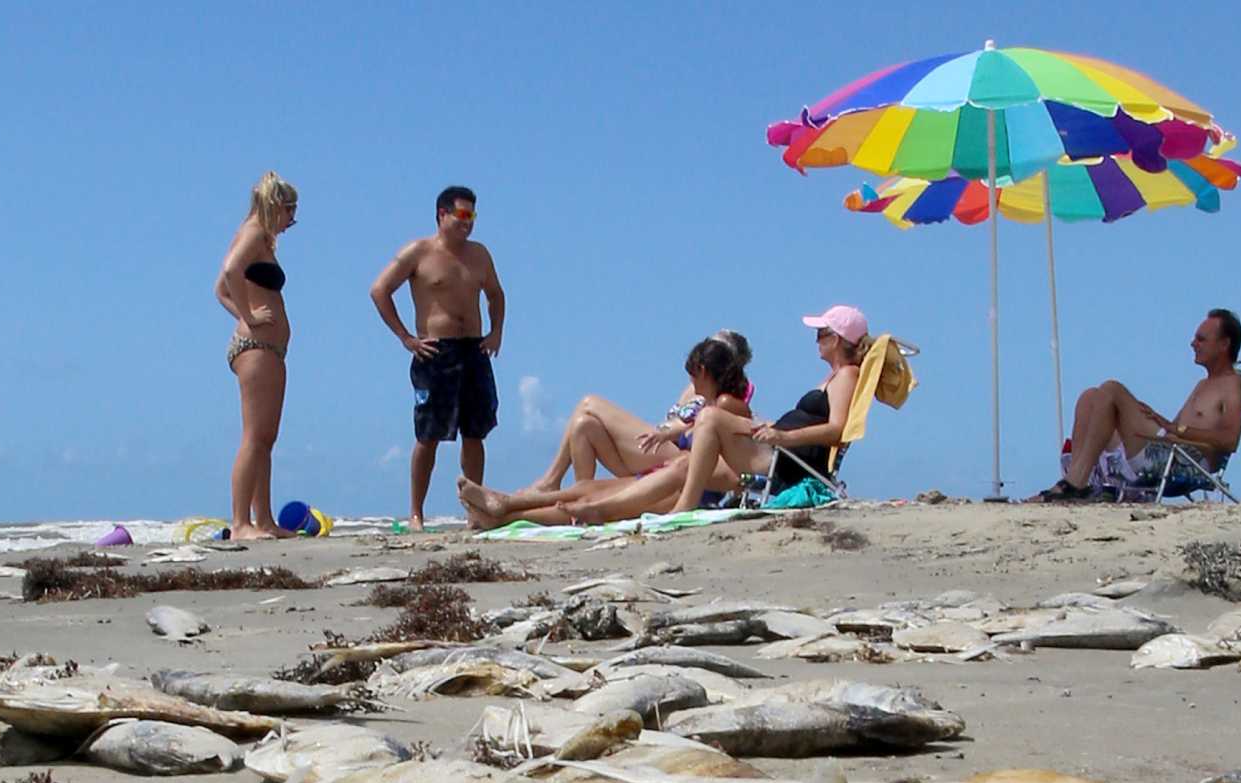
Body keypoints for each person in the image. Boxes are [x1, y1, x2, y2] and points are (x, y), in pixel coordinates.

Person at [458, 309, 869, 529]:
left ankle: (512, 506)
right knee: (589, 491)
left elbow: (834, 432)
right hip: (736, 465)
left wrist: (780, 437)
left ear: (839, 340)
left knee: (596, 497)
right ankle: (504, 509)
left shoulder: (845, 375)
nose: (816, 339)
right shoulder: (832, 377)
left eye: (822, 333)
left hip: (763, 471)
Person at [369, 186, 507, 529]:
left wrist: (496, 332)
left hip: (474, 349)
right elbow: (379, 290)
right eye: (461, 215)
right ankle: (416, 512)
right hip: (436, 353)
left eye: (472, 216)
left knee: (475, 434)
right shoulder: (419, 252)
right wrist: (406, 338)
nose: (468, 223)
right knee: (428, 435)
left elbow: (495, 295)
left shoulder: (480, 255)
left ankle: (475, 511)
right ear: (442, 214)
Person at [1035, 309, 1241, 502]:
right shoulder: (1204, 384)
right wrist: (1154, 420)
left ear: (1224, 344)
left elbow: (1230, 441)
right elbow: (1176, 430)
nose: (1193, 344)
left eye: (1201, 339)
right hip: (1170, 451)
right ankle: (1077, 478)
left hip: (1185, 465)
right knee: (1090, 397)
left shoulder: (1232, 384)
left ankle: (1075, 484)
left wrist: (1176, 429)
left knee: (1112, 389)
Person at [525, 330, 753, 489]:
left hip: (681, 459)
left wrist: (670, 430)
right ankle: (580, 492)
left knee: (590, 403)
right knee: (584, 425)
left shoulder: (728, 399)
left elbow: (713, 428)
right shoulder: (697, 390)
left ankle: (551, 480)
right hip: (663, 452)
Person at [216, 171, 298, 540]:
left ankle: (263, 519)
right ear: (275, 205)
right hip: (256, 347)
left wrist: (244, 311)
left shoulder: (261, 239)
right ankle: (240, 523)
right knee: (253, 436)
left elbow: (221, 289)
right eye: (290, 210)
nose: (292, 220)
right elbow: (229, 273)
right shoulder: (252, 232)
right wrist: (249, 318)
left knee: (266, 437)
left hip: (270, 348)